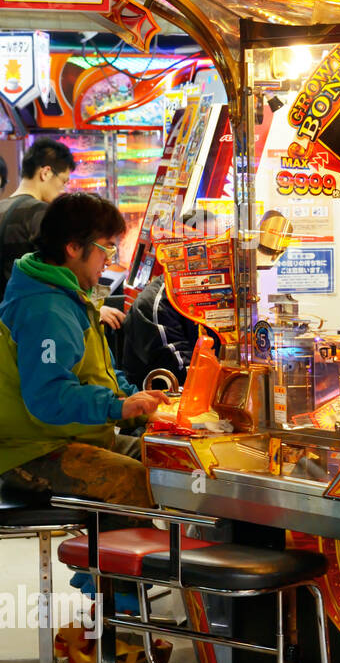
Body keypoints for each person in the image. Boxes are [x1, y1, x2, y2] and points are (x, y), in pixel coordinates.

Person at [0, 192, 166, 509]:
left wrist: (140, 406)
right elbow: (47, 398)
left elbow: (99, 373)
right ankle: (111, 559)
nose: (109, 259)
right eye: (106, 248)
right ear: (74, 247)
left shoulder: (69, 295)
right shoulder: (46, 309)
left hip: (77, 437)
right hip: (32, 449)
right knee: (139, 482)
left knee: (173, 464)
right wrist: (118, 407)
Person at [0, 139, 124, 329]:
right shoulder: (42, 214)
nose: (63, 189)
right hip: (36, 319)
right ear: (46, 172)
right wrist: (92, 307)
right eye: (63, 181)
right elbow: (59, 273)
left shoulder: (2, 207)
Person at [119, 210, 216, 390]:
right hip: (156, 408)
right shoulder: (156, 304)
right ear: (182, 248)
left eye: (221, 246)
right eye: (208, 246)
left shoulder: (212, 294)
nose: (218, 255)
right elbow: (184, 374)